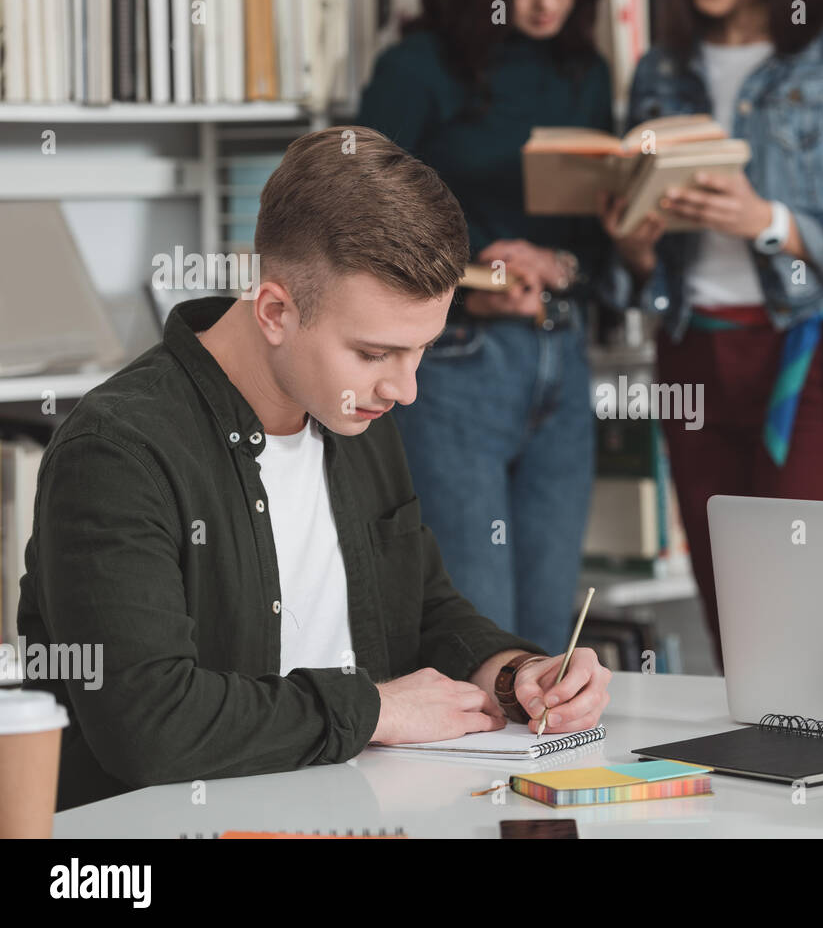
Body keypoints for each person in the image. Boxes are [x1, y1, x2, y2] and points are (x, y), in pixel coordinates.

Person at [17, 127, 612, 811]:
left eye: (420, 350)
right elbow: (148, 724)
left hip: (358, 812)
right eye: (374, 352)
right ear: (275, 310)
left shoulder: (354, 413)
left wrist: (515, 673)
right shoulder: (117, 450)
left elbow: (421, 610)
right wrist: (372, 709)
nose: (406, 388)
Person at [598, 0, 823, 669]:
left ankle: (817, 755)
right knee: (726, 593)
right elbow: (639, 264)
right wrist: (634, 248)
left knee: (806, 589)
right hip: (690, 351)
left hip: (803, 352)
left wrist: (767, 220)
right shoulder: (662, 67)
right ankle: (756, 759)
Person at [355, 0, 612, 655]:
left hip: (564, 351)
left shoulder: (584, 72)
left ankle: (546, 766)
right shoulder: (417, 69)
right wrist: (471, 283)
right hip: (459, 357)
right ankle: (478, 769)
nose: (548, 2)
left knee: (550, 634)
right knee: (478, 628)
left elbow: (598, 248)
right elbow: (358, 220)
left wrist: (558, 265)